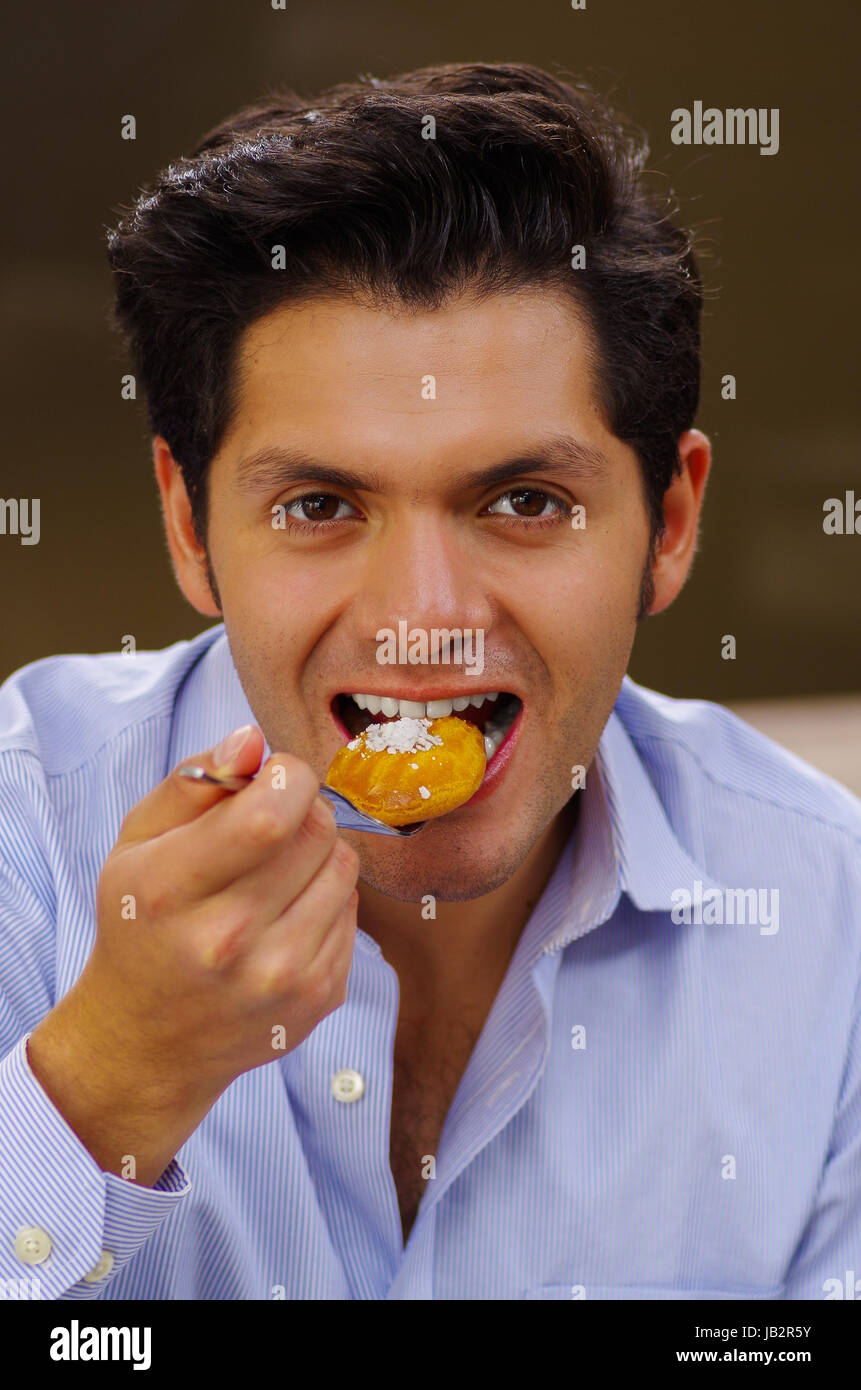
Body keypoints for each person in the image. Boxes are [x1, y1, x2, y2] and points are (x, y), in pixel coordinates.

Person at [1, 61, 858, 1301]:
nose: (424, 621)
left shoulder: (829, 927)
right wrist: (112, 1078)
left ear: (670, 523)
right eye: (318, 505)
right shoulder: (24, 834)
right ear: (188, 527)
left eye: (523, 501)